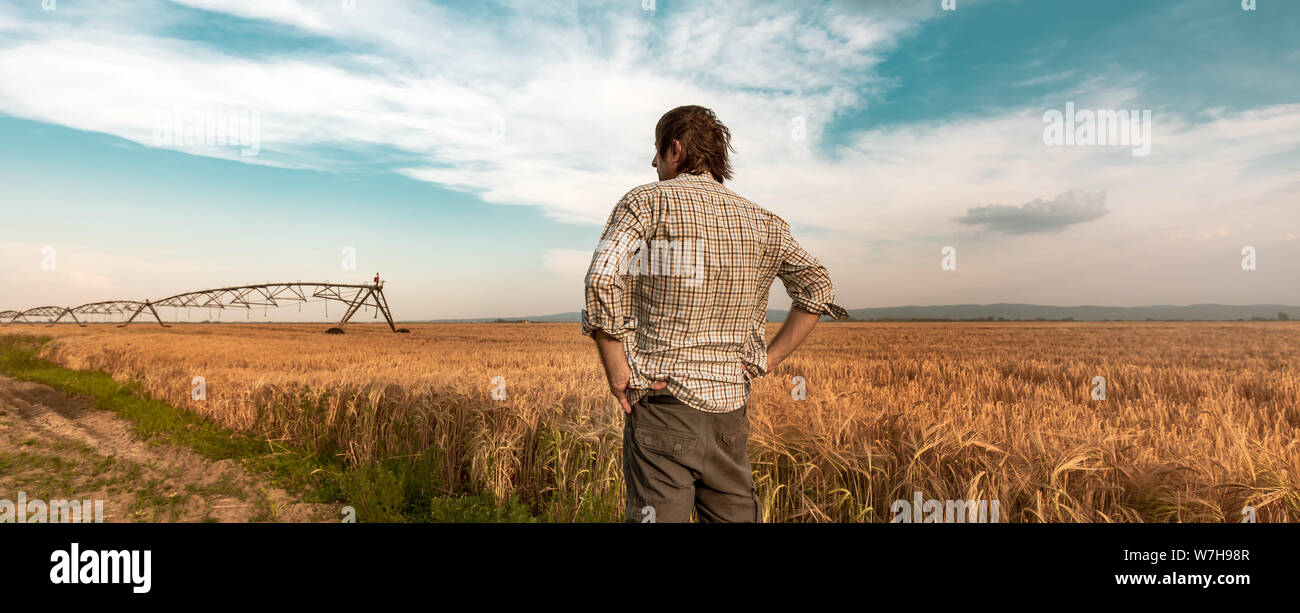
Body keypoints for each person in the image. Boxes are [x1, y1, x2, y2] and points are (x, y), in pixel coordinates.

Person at [581, 105, 848, 523]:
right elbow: (817, 286)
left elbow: (601, 278)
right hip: (729, 416)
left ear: (675, 149)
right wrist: (768, 359)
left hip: (662, 406)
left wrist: (617, 372)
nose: (653, 163)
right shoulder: (763, 221)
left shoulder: (646, 202)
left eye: (656, 151)